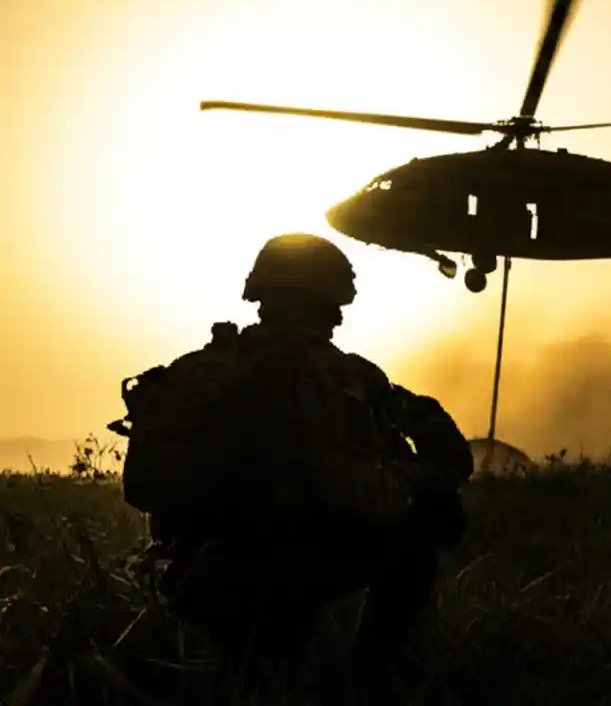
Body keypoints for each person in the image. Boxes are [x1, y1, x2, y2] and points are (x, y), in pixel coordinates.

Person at [109, 232, 473, 698]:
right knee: (422, 532)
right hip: (286, 574)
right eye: (334, 304)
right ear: (323, 302)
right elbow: (371, 490)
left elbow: (141, 487)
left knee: (249, 674)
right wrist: (419, 475)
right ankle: (372, 680)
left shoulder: (199, 370)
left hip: (196, 577)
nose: (339, 317)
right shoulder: (343, 377)